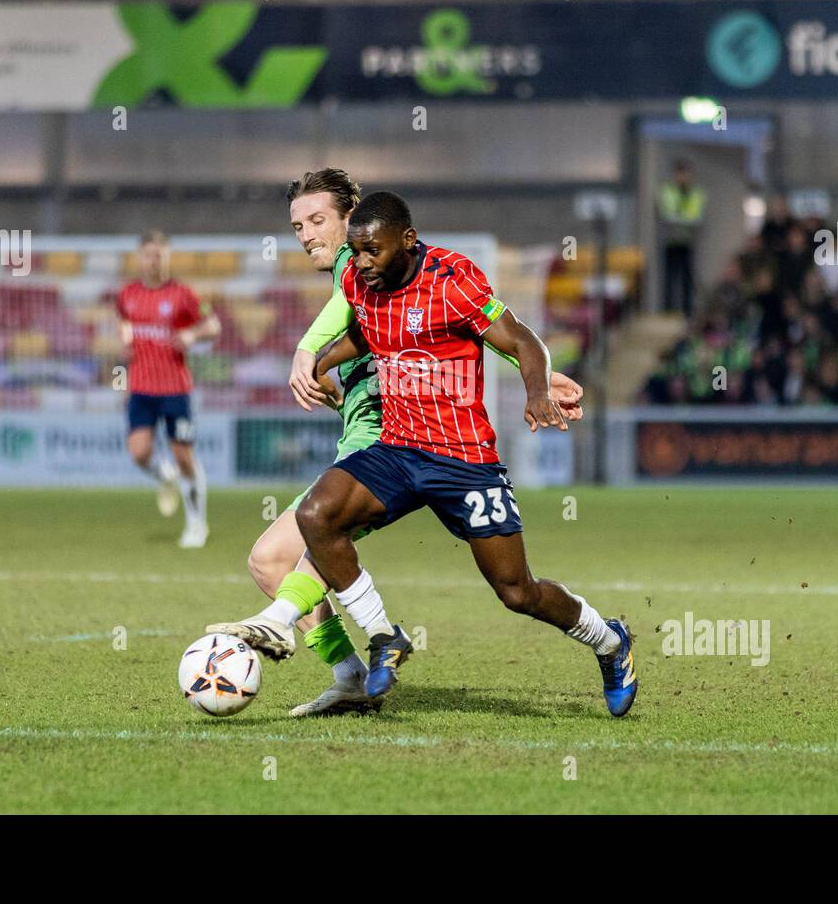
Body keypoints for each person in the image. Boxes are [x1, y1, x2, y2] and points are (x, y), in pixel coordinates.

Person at [211, 191, 636, 718]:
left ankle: (610, 641)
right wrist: (323, 360)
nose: (362, 265)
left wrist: (537, 391)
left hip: (463, 460)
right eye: (358, 253)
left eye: (374, 253)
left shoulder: (452, 280)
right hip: (397, 449)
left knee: (517, 592)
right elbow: (365, 333)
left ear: (408, 242)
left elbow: (524, 340)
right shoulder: (359, 281)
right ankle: (383, 636)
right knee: (317, 515)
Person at [116, 229, 220, 548]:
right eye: (148, 255)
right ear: (140, 258)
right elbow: (124, 324)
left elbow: (212, 325)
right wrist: (125, 344)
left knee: (183, 456)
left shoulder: (183, 295)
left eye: (160, 255)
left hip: (175, 389)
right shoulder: (128, 295)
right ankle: (164, 474)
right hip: (141, 388)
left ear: (167, 257)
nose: (154, 261)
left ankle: (196, 524)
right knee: (138, 451)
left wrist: (192, 336)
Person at [657, 159, 705, 314]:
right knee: (670, 278)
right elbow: (666, 216)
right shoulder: (667, 191)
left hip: (687, 241)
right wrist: (685, 219)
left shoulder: (696, 193)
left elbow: (696, 218)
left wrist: (680, 218)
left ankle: (687, 312)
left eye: (685, 174)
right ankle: (668, 311)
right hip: (671, 241)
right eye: (679, 174)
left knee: (686, 279)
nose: (682, 177)